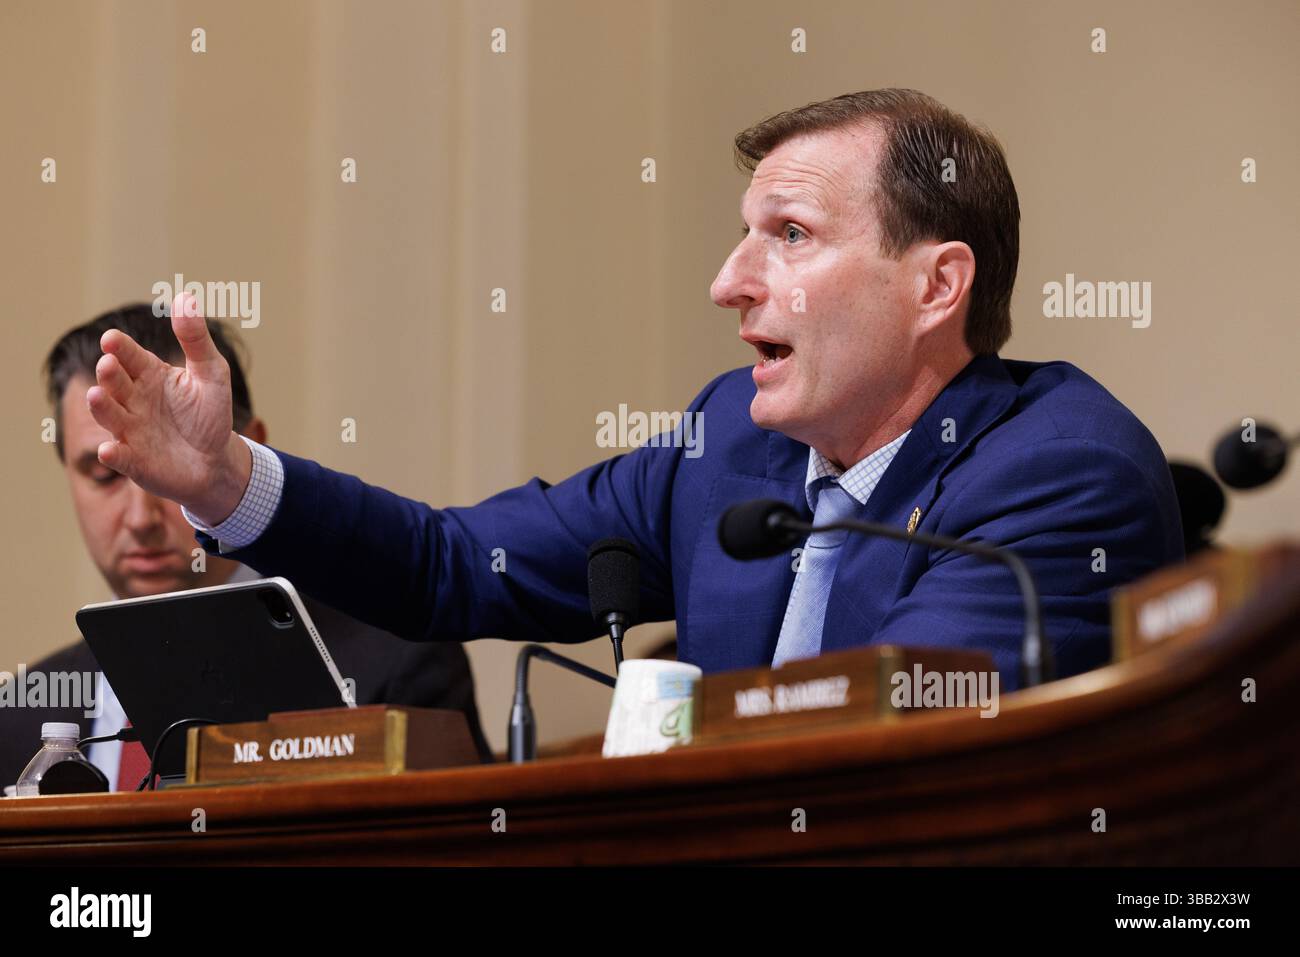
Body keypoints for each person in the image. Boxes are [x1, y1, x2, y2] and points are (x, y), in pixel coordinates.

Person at [84, 89, 1183, 696]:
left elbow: (884, 744)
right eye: (741, 236)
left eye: (788, 237)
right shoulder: (729, 445)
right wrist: (227, 482)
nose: (727, 282)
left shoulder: (1058, 470)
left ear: (937, 283)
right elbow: (455, 564)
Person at [1, 306, 492, 790]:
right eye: (105, 474)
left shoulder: (398, 661)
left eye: (168, 465)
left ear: (249, 449)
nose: (139, 518)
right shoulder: (18, 713)